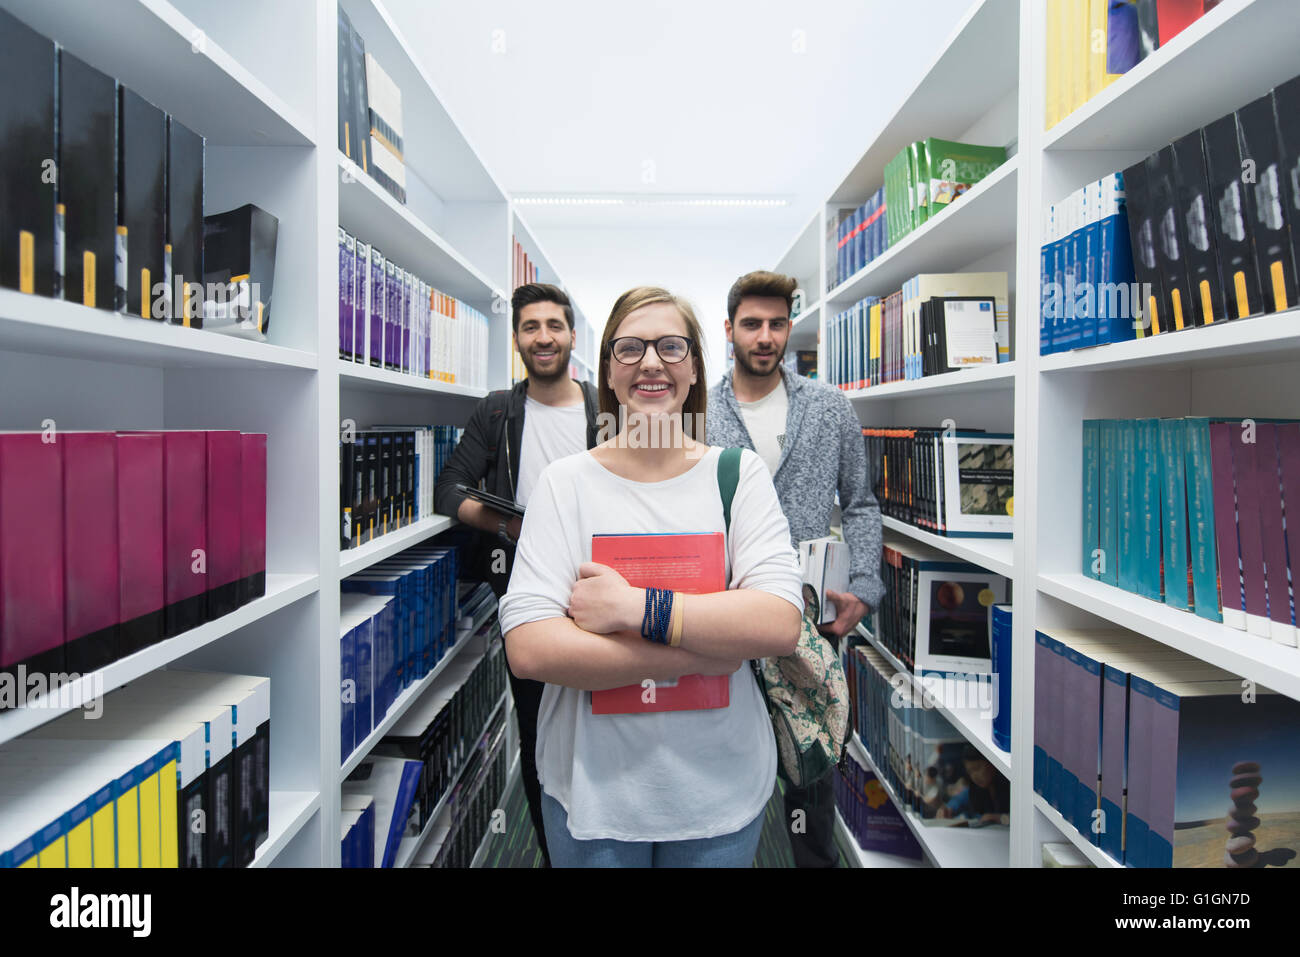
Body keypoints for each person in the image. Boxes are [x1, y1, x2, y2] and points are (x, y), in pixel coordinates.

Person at [497, 286, 803, 867]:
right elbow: (530, 649)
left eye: (671, 346)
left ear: (692, 368)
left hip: (720, 793)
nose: (652, 363)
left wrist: (634, 609)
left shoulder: (738, 476)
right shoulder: (566, 484)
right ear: (608, 371)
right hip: (594, 796)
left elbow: (778, 623)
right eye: (630, 348)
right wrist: (707, 648)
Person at [708, 269, 885, 868]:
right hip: (725, 613)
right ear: (728, 329)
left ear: (790, 329)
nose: (765, 336)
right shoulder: (697, 412)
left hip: (811, 618)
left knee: (810, 769)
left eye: (777, 324)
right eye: (752, 324)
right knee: (721, 759)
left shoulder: (831, 407)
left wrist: (864, 584)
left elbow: (860, 502)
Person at [433, 282, 600, 867]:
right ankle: (556, 852)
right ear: (517, 340)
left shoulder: (606, 408)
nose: (543, 337)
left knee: (604, 718)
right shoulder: (497, 411)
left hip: (600, 585)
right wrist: (511, 529)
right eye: (531, 327)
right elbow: (448, 489)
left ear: (572, 335)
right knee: (537, 732)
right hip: (526, 591)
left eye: (554, 326)